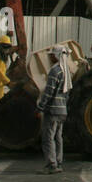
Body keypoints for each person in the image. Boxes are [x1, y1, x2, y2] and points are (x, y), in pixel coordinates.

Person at [36, 45, 71, 174]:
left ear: (56, 56)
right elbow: (67, 93)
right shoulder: (66, 71)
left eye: (51, 55)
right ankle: (58, 162)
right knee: (58, 137)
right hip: (63, 110)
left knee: (48, 137)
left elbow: (49, 92)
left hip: (53, 111)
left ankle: (51, 164)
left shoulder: (54, 71)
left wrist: (41, 106)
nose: (49, 57)